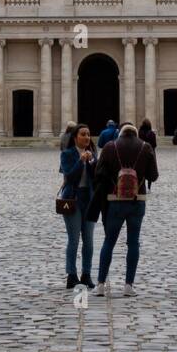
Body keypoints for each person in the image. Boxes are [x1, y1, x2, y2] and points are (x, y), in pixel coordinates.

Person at [87, 123, 157, 295]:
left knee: (109, 242)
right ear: (135, 132)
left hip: (115, 200)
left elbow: (98, 173)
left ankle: (101, 284)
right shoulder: (145, 147)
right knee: (133, 243)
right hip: (137, 200)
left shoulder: (110, 147)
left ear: (121, 133)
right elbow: (153, 176)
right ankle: (128, 286)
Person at [59, 123, 98, 288]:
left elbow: (96, 178)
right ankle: (71, 274)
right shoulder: (67, 154)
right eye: (83, 134)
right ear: (75, 137)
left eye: (88, 134)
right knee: (74, 239)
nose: (86, 137)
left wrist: (91, 163)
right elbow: (69, 176)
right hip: (72, 198)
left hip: (88, 199)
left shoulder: (93, 154)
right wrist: (81, 162)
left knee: (88, 240)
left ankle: (86, 273)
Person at [138, 118, 157, 191]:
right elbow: (154, 145)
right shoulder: (152, 133)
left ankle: (142, 186)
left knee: (141, 169)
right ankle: (149, 187)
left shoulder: (139, 132)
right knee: (149, 169)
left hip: (141, 152)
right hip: (150, 153)